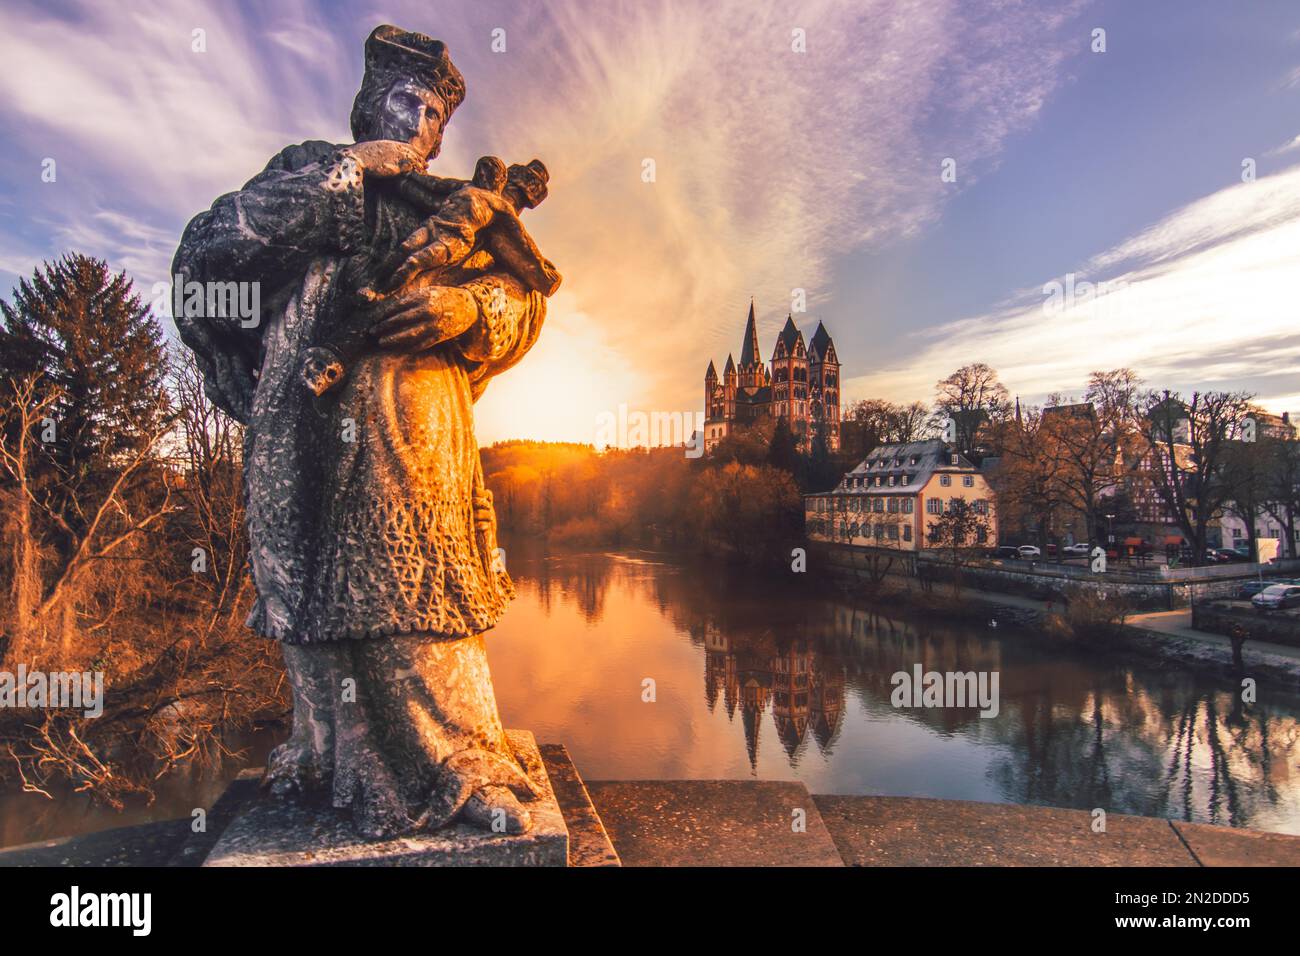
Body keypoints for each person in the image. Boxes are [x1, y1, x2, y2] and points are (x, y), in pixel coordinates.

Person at [173, 25, 557, 837]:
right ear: (365, 105)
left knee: (415, 602)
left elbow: (524, 303)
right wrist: (346, 176)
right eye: (402, 102)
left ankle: (459, 765)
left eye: (430, 113)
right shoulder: (306, 175)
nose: (417, 122)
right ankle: (331, 763)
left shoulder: (452, 207)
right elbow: (205, 258)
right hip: (303, 428)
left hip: (414, 432)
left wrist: (468, 306)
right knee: (312, 606)